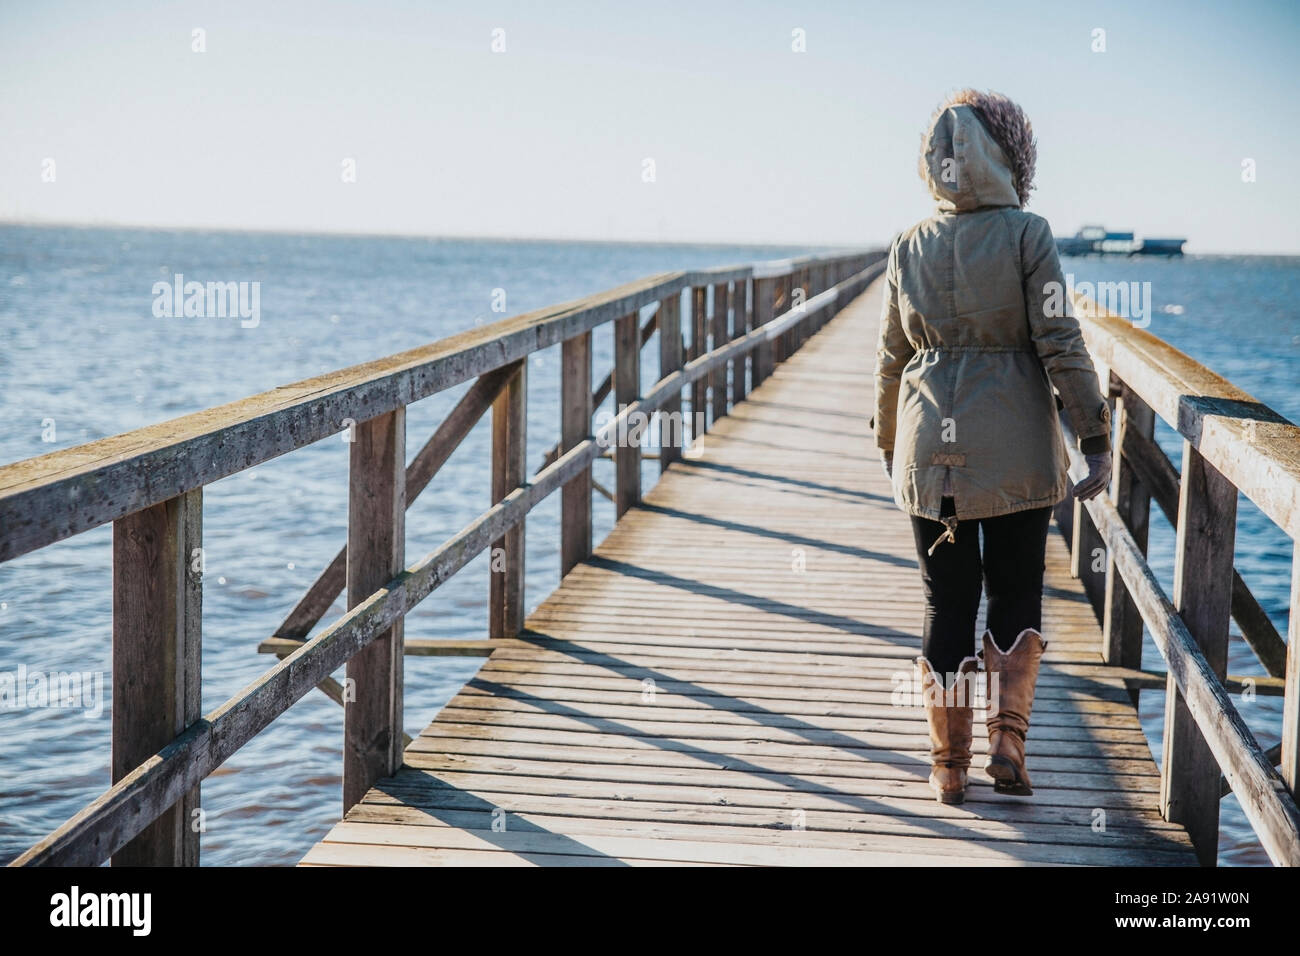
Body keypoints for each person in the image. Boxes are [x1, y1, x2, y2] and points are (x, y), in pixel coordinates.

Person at [871, 90, 1113, 805]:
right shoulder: (1027, 234)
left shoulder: (908, 244)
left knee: (946, 601)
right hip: (1014, 450)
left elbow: (890, 359)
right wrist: (1094, 434)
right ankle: (1008, 742)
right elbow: (1059, 340)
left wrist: (891, 443)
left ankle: (948, 768)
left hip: (928, 449)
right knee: (1013, 589)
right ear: (1013, 154)